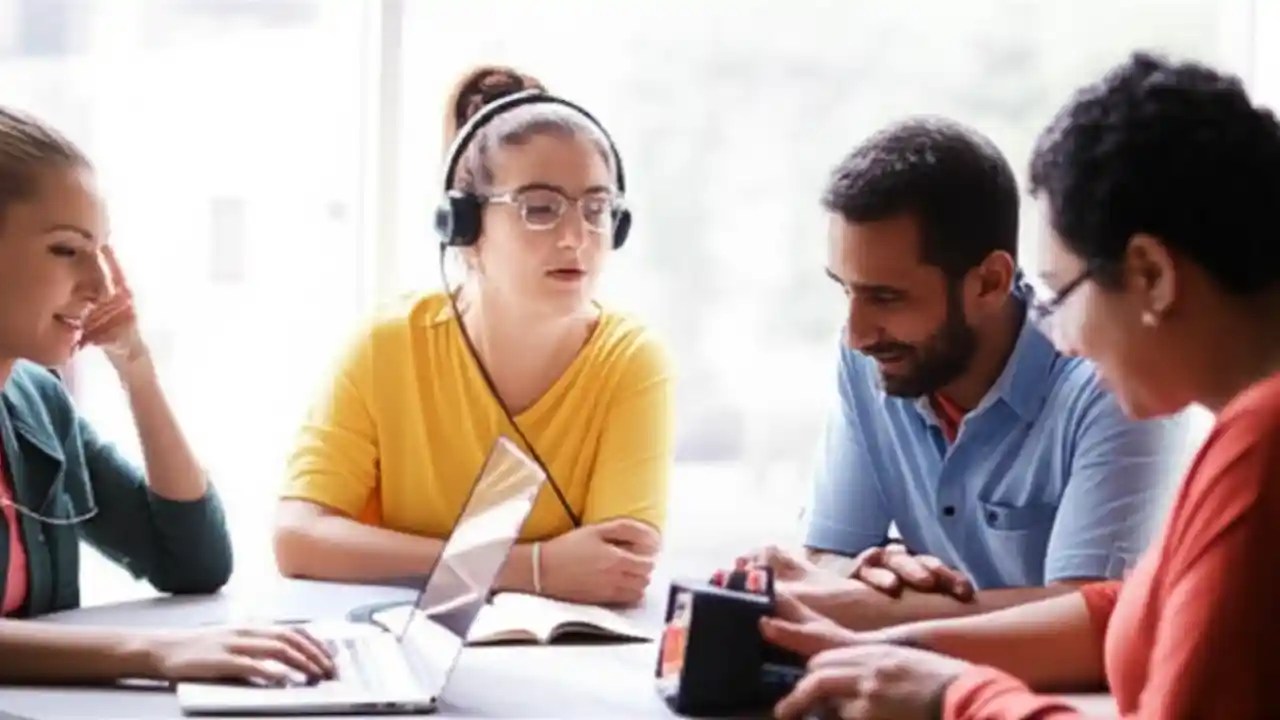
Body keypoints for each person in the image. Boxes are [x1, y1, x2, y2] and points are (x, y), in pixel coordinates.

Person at [760, 51, 1280, 719]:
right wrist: (896, 643)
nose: (1060, 335)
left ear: (1151, 274)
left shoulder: (1262, 446)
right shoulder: (1247, 430)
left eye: (1062, 294)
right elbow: (1125, 609)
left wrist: (954, 695)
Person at [746, 115, 1188, 630]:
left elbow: (1092, 619)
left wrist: (873, 609)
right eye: (845, 289)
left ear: (989, 282)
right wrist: (871, 573)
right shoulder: (875, 359)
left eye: (886, 297)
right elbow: (827, 558)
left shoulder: (1111, 384)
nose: (856, 334)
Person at [273, 66, 675, 607]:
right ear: (463, 230)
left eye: (597, 208)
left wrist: (477, 565)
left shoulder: (630, 360)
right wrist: (529, 567)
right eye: (539, 208)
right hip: (393, 649)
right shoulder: (387, 346)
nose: (577, 237)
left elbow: (618, 569)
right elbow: (298, 538)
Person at [0, 107, 333, 685]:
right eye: (66, 250)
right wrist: (150, 651)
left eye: (101, 250)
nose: (101, 285)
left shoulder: (34, 403)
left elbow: (192, 563)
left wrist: (134, 362)